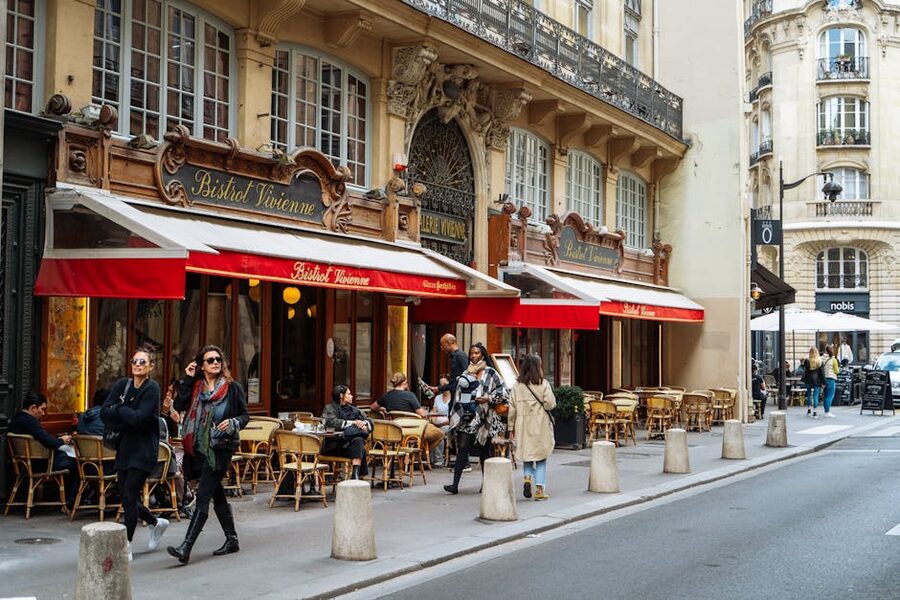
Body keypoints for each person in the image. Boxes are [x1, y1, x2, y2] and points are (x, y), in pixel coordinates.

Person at [167, 345, 249, 565]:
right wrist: (187, 378)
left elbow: (244, 416)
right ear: (201, 365)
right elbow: (180, 405)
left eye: (218, 359)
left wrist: (232, 423)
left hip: (220, 448)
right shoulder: (195, 387)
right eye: (210, 360)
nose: (215, 363)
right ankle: (232, 539)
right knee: (216, 491)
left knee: (203, 495)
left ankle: (186, 547)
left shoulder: (232, 388)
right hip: (200, 447)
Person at [100, 346, 168, 562]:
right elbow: (104, 412)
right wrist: (124, 413)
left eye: (142, 362)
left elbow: (140, 419)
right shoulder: (123, 385)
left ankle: (126, 544)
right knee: (126, 496)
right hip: (125, 447)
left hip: (144, 449)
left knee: (129, 494)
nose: (137, 365)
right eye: (134, 362)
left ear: (151, 366)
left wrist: (119, 410)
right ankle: (156, 523)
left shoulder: (152, 388)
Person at [443, 342, 509, 495]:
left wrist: (488, 398)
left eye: (477, 353)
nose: (473, 356)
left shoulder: (490, 372)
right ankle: (454, 485)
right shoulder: (466, 373)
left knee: (484, 451)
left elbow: (504, 391)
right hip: (467, 417)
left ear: (482, 354)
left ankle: (486, 484)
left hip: (484, 417)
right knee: (463, 448)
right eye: (472, 353)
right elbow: (458, 393)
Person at [10, 392, 78, 509]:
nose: (43, 413)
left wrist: (58, 439)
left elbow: (43, 439)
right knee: (77, 462)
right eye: (42, 409)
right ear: (33, 408)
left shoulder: (17, 419)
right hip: (41, 464)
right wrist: (62, 440)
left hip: (26, 464)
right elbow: (49, 442)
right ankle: (72, 501)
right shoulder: (31, 421)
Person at [507, 353, 556, 501]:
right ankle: (540, 490)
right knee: (541, 457)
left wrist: (510, 428)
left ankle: (527, 478)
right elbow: (550, 404)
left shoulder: (517, 386)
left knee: (527, 456)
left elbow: (512, 409)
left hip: (522, 425)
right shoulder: (543, 383)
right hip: (540, 424)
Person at [371, 372, 444, 460]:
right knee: (440, 434)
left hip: (396, 429)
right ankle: (420, 455)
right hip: (414, 429)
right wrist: (425, 412)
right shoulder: (410, 395)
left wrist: (382, 409)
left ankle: (411, 454)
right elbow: (422, 414)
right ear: (404, 382)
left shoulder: (387, 395)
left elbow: (372, 407)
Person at [321, 385, 372, 480]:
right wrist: (353, 423)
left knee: (358, 440)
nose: (352, 396)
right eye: (349, 394)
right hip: (333, 446)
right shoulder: (329, 408)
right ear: (341, 396)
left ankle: (355, 474)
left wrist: (363, 423)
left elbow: (369, 420)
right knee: (359, 442)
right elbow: (330, 422)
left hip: (348, 447)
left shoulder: (353, 409)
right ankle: (356, 475)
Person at [428, 376, 452, 468]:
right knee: (429, 432)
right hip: (437, 422)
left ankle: (438, 460)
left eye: (445, 384)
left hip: (448, 422)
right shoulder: (438, 397)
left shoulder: (453, 397)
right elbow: (434, 411)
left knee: (440, 433)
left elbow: (453, 416)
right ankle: (429, 458)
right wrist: (433, 418)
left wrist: (441, 423)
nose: (442, 386)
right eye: (441, 384)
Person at [802, 346, 823, 418]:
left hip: (808, 379)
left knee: (809, 395)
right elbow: (821, 372)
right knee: (816, 395)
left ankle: (809, 409)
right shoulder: (819, 360)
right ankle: (815, 411)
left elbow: (804, 370)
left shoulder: (807, 360)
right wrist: (823, 382)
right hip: (816, 379)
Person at [822, 344, 840, 418]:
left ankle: (826, 410)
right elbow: (837, 371)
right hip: (831, 378)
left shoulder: (821, 358)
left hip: (823, 379)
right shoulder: (833, 360)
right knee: (830, 396)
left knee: (825, 395)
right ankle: (827, 411)